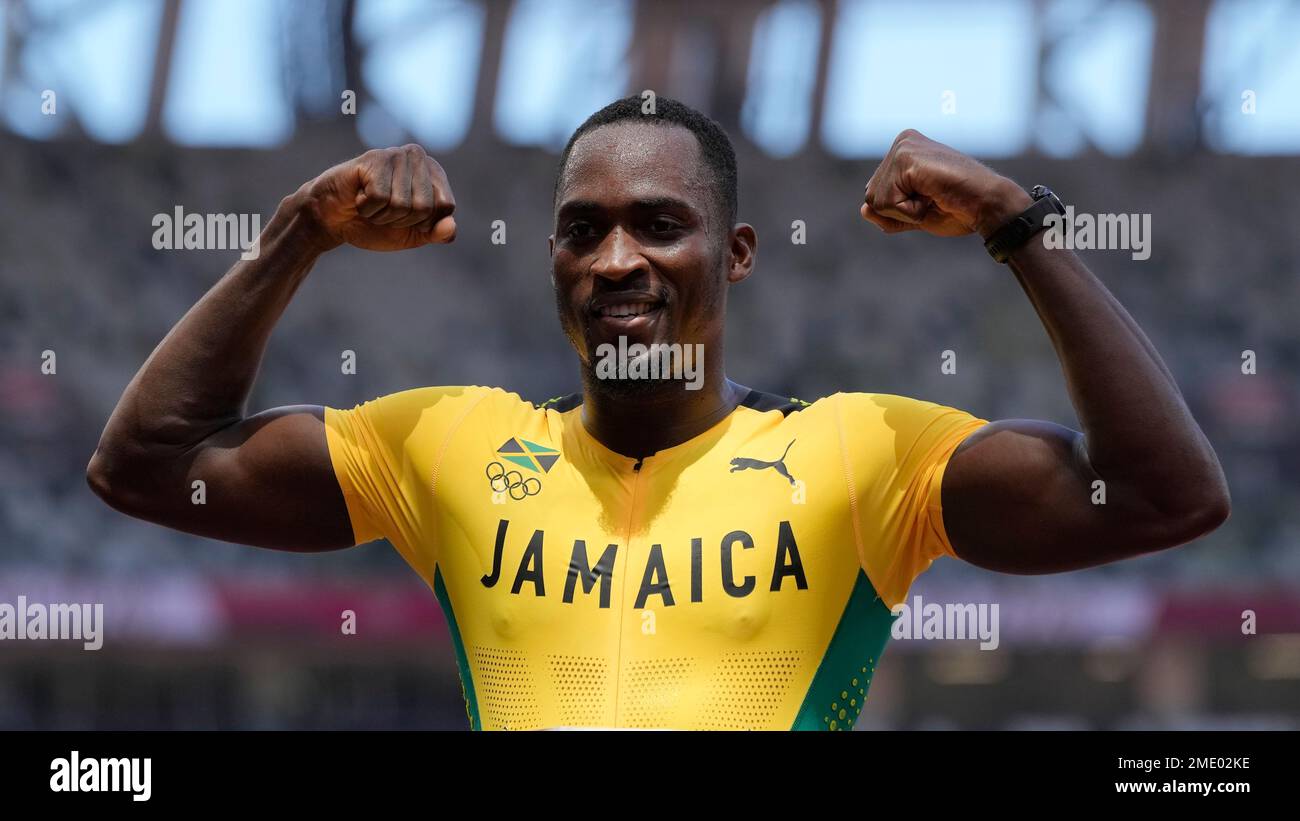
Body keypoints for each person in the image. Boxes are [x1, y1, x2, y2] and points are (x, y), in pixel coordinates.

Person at [88, 96, 1229, 730]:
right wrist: (300, 228)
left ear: (734, 254)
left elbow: (1162, 494)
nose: (617, 259)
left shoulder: (859, 452)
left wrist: (1016, 222)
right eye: (583, 230)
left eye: (657, 223)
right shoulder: (449, 445)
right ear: (550, 261)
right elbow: (147, 463)